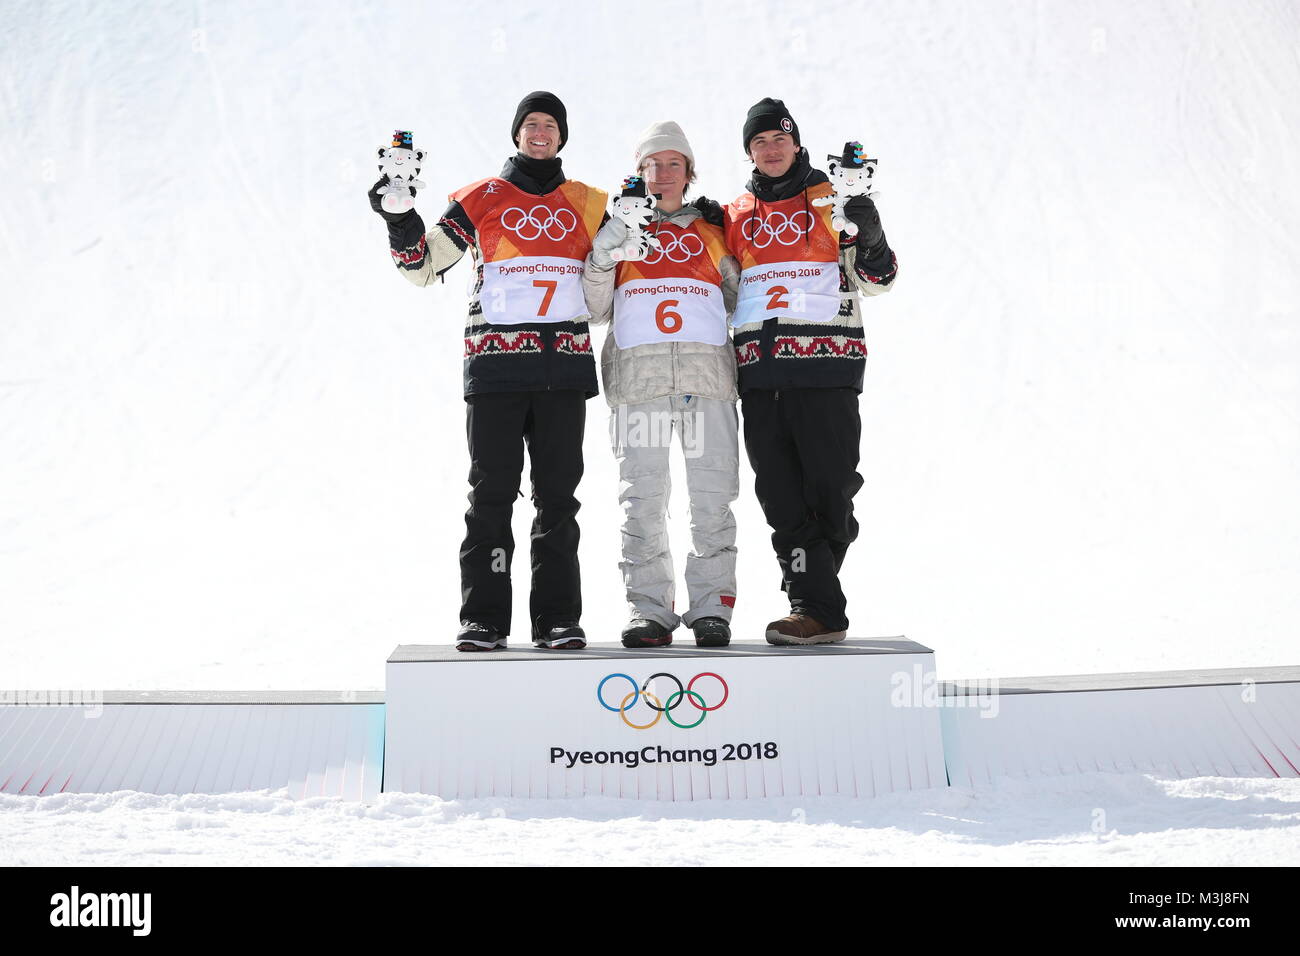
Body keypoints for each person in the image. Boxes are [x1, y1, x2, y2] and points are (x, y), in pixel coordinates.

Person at [367, 92, 607, 652]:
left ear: (562, 136)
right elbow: (422, 267)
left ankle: (557, 620)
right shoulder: (482, 198)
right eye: (530, 123)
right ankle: (483, 619)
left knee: (558, 499)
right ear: (516, 134)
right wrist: (400, 217)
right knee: (492, 495)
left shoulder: (591, 202)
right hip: (496, 369)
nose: (539, 131)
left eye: (549, 124)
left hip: (563, 372)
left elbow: (616, 270)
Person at [723, 98, 898, 645]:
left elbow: (879, 278)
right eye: (759, 143)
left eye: (779, 139)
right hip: (760, 375)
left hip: (827, 369)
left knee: (830, 491)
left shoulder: (834, 200)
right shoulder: (733, 214)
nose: (770, 151)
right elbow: (722, 289)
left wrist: (870, 236)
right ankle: (812, 606)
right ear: (749, 152)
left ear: (796, 143)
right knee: (779, 495)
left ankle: (816, 597)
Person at [582, 122, 741, 648]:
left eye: (675, 163)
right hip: (641, 383)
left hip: (706, 381)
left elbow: (742, 299)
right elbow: (595, 307)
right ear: (639, 172)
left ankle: (711, 607)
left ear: (689, 173)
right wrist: (606, 250)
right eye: (654, 164)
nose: (664, 173)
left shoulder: (714, 229)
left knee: (711, 498)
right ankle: (648, 609)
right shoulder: (618, 227)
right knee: (643, 500)